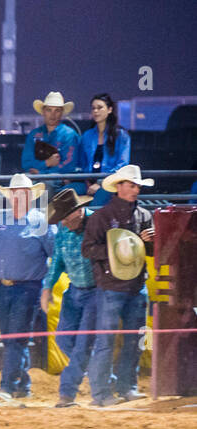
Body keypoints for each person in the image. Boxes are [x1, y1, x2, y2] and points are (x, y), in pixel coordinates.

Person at [81, 164, 155, 407]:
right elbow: (88, 249)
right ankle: (103, 392)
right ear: (119, 187)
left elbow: (152, 252)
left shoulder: (143, 216)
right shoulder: (102, 217)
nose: (136, 190)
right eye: (132, 185)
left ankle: (125, 387)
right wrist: (120, 248)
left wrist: (147, 243)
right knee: (106, 341)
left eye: (137, 186)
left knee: (134, 339)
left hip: (134, 286)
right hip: (112, 287)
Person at [0, 174, 54, 401]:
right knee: (12, 337)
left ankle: (8, 387)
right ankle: (23, 385)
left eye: (22, 193)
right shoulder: (0, 220)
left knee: (15, 338)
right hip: (4, 288)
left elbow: (55, 254)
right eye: (15, 193)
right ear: (10, 196)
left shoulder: (41, 222)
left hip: (28, 288)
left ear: (30, 196)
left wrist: (46, 286)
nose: (18, 196)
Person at [39, 188, 96, 407]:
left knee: (81, 345)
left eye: (64, 218)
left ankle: (66, 394)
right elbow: (58, 261)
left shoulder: (96, 224)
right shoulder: (64, 229)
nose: (62, 223)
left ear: (77, 213)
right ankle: (105, 380)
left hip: (95, 292)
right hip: (75, 290)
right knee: (63, 338)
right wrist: (47, 288)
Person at [76, 92, 130, 207]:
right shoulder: (87, 136)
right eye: (93, 108)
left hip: (110, 183)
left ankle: (90, 222)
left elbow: (122, 165)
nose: (95, 111)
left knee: (97, 203)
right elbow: (81, 163)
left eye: (100, 108)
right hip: (87, 182)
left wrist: (100, 183)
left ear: (109, 110)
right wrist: (87, 182)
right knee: (66, 193)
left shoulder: (121, 136)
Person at [22, 91, 79, 181]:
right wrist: (47, 163)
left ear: (62, 113)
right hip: (35, 179)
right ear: (43, 112)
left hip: (58, 181)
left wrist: (41, 173)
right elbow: (26, 163)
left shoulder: (69, 135)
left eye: (57, 110)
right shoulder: (33, 135)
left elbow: (69, 166)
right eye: (49, 110)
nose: (53, 114)